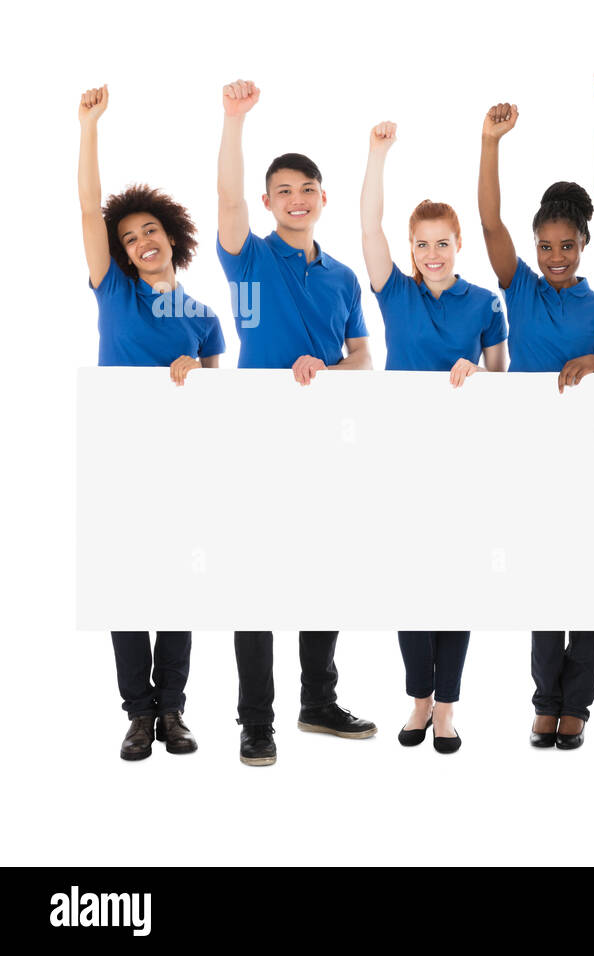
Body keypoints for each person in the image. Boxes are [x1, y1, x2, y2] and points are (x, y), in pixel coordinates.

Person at [217, 79, 377, 767]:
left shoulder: (342, 276)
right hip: (258, 442)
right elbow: (224, 199)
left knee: (323, 572)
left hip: (327, 444)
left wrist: (325, 372)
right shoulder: (249, 257)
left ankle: (318, 702)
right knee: (255, 580)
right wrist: (233, 121)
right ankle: (257, 722)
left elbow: (364, 359)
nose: (297, 198)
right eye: (283, 190)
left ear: (322, 198)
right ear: (267, 203)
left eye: (307, 188)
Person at [80, 84, 224, 761]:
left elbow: (225, 400)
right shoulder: (114, 288)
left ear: (173, 238)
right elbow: (87, 207)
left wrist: (199, 378)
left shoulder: (202, 318)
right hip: (119, 456)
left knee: (177, 585)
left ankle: (174, 711)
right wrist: (89, 128)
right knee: (126, 584)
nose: (141, 241)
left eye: (150, 232)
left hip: (183, 462)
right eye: (130, 236)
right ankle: (139, 715)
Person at [477, 102, 594, 750]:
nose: (555, 256)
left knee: (585, 582)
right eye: (546, 246)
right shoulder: (523, 289)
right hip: (529, 457)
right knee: (543, 581)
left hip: (589, 460)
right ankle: (545, 698)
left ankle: (578, 705)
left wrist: (592, 360)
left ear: (584, 246)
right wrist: (491, 143)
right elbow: (487, 221)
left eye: (566, 246)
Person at [363, 120, 508, 753]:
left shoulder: (484, 303)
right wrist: (377, 155)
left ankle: (446, 706)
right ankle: (417, 700)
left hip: (464, 462)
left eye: (442, 243)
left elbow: (503, 372)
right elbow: (370, 230)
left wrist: (477, 369)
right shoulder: (395, 292)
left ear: (458, 245)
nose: (431, 254)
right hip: (402, 457)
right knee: (410, 583)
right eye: (421, 243)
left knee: (454, 582)